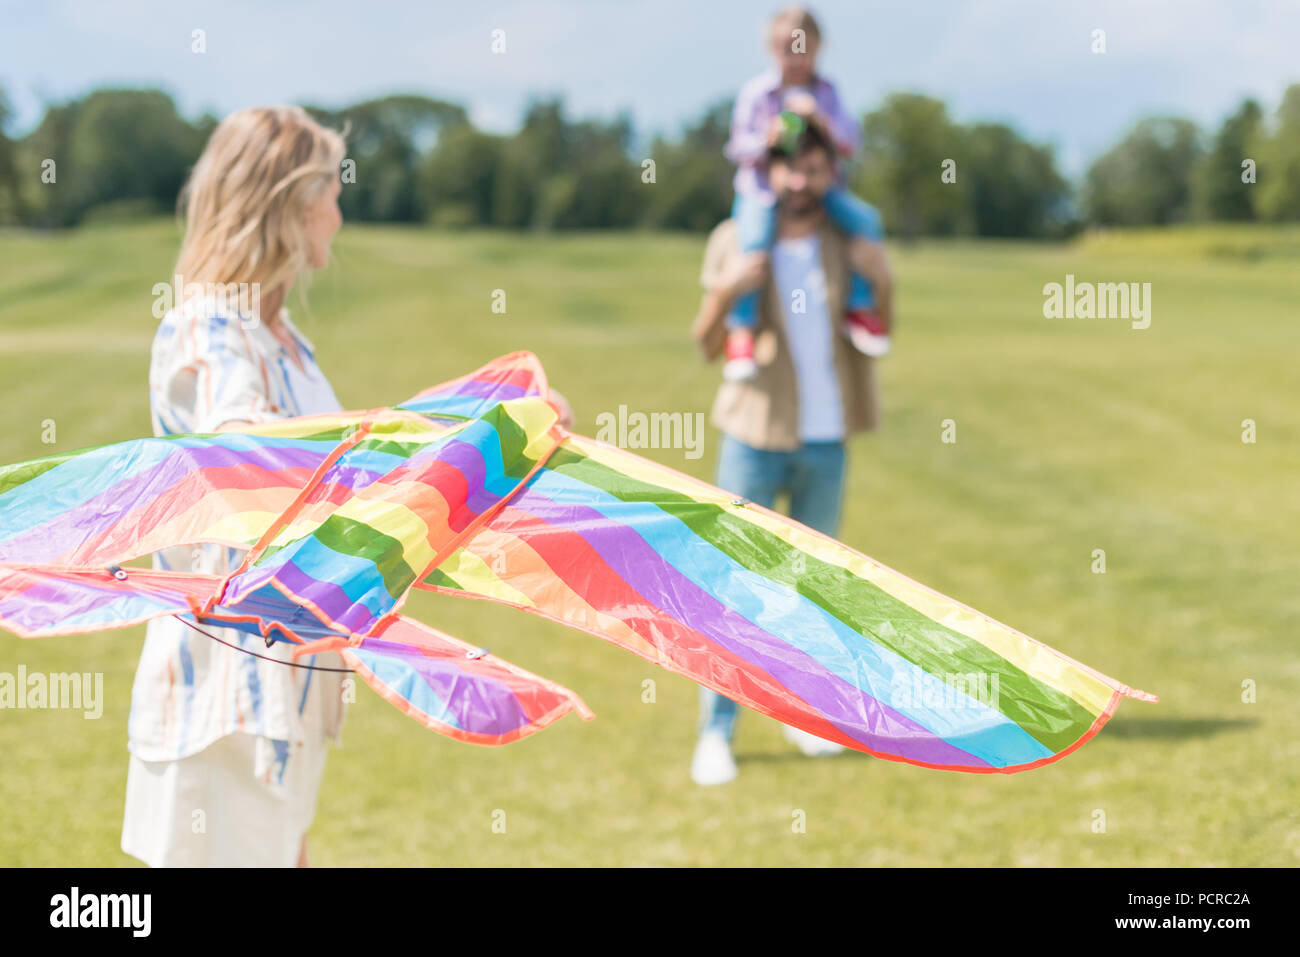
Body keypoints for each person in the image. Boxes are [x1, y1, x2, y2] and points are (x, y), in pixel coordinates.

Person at [121, 106, 350, 867]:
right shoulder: (205, 329)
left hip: (290, 684)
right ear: (287, 204)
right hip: (223, 697)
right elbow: (259, 464)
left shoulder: (285, 340)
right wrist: (446, 433)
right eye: (329, 190)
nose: (339, 215)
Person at [689, 113, 893, 786]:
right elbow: (705, 341)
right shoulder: (736, 235)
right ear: (767, 169)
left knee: (810, 593)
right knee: (735, 588)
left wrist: (880, 277)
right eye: (788, 166)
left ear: (830, 173)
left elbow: (878, 326)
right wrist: (729, 291)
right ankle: (716, 731)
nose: (800, 180)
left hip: (827, 439)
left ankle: (805, 716)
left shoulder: (848, 238)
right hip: (754, 433)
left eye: (812, 167)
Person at [722, 5, 892, 382]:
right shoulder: (756, 93)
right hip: (764, 192)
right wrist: (768, 138)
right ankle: (741, 331)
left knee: (867, 221)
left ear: (818, 49)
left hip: (822, 188)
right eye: (786, 48)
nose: (795, 58)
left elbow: (851, 142)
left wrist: (821, 121)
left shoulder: (827, 92)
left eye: (803, 49)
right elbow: (736, 148)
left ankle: (859, 308)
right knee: (752, 244)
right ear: (771, 48)